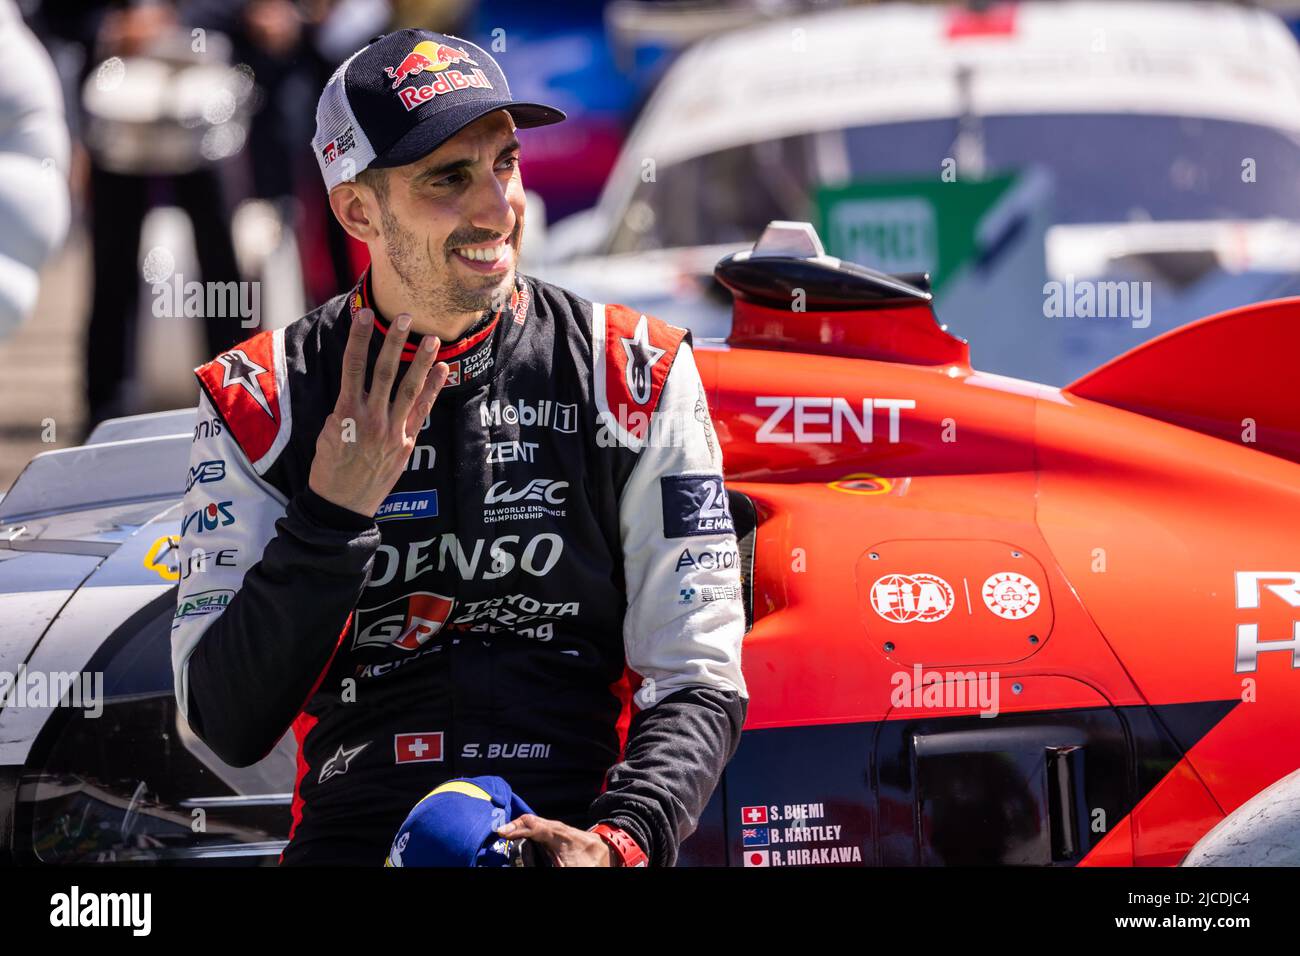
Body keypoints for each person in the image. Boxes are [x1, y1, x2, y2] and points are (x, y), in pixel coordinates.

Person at [170, 28, 748, 866]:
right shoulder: (260, 396)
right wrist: (331, 517)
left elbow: (697, 672)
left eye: (504, 163)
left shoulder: (635, 371)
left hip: (570, 827)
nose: (498, 207)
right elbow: (221, 722)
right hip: (353, 833)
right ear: (356, 208)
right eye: (450, 177)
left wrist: (618, 843)